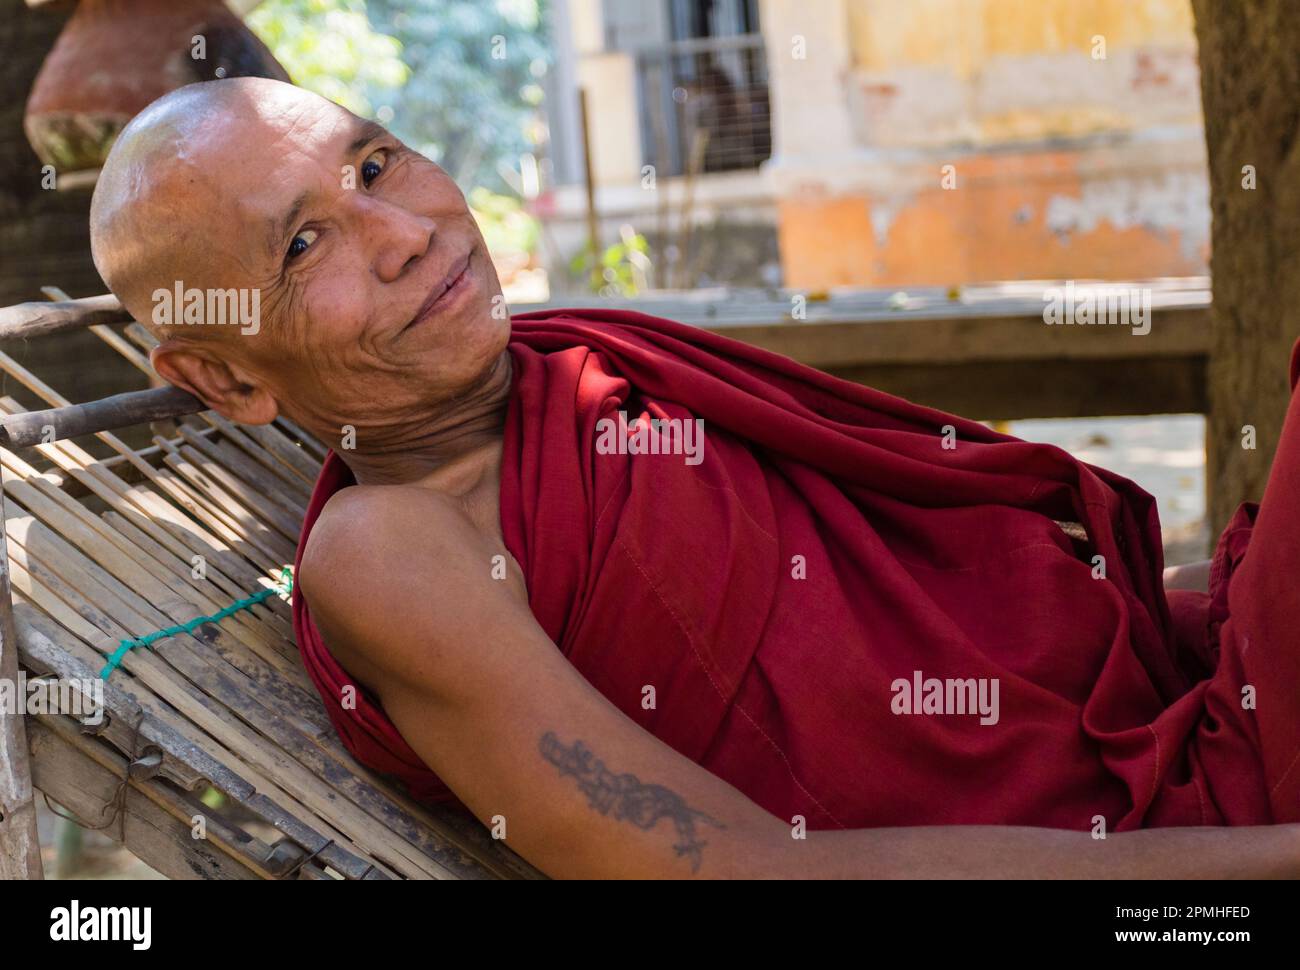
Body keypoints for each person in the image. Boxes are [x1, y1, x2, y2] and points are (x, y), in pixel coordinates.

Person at [87, 77, 1300, 879]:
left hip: (1197, 709)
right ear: (223, 376)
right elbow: (745, 871)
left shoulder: (581, 369)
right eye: (304, 245)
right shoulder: (390, 548)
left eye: (377, 165)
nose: (402, 231)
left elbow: (953, 609)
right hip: (1189, 836)